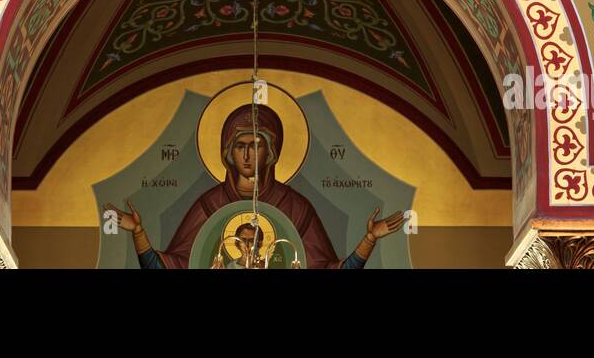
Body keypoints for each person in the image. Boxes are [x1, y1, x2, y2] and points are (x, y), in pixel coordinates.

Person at [105, 103, 403, 269]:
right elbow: (172, 268)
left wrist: (369, 240)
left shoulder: (295, 208)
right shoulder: (208, 206)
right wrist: (139, 234)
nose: (247, 155)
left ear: (270, 152)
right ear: (228, 152)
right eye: (240, 146)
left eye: (256, 146)